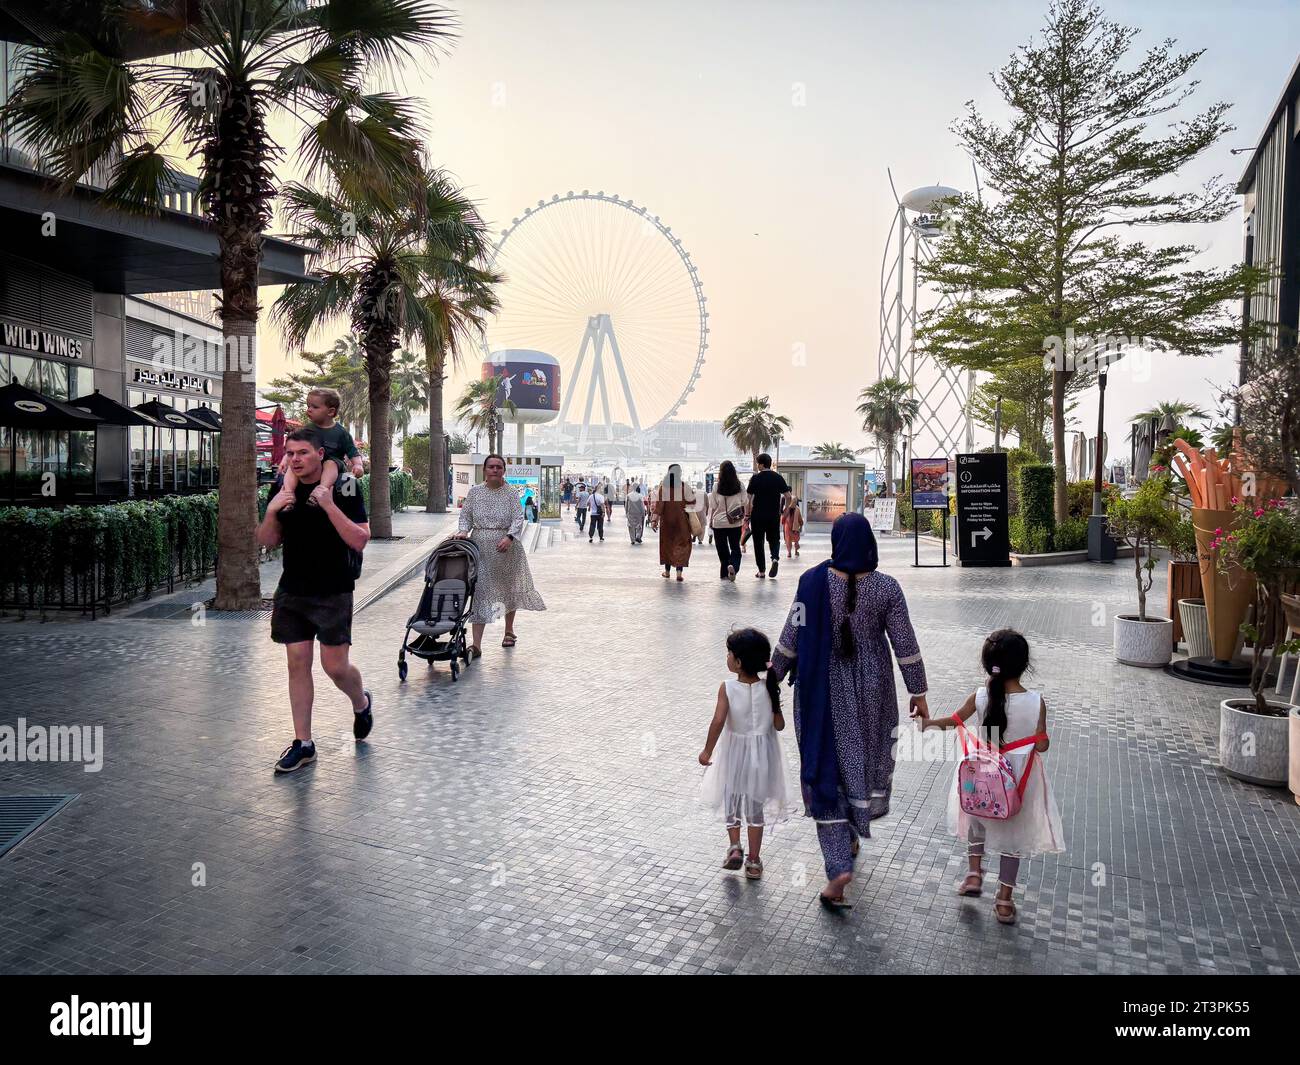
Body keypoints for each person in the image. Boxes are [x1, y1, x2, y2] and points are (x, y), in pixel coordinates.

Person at [770, 513, 928, 908]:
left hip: (821, 690)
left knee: (828, 767)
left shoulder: (811, 583)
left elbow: (792, 634)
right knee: (861, 759)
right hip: (873, 689)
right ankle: (852, 833)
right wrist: (919, 691)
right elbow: (904, 642)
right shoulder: (887, 587)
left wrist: (770, 678)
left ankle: (838, 866)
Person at [912, 629, 1062, 925]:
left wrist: (926, 724)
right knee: (1013, 840)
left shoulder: (980, 696)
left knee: (976, 821)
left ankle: (972, 875)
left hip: (981, 777)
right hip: (1017, 782)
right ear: (1024, 664)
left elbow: (953, 722)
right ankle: (1004, 902)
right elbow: (1042, 744)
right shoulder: (1035, 701)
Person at [257, 428, 373, 774]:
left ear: (320, 454)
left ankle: (361, 701)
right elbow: (267, 541)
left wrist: (328, 504)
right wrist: (272, 512)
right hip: (292, 588)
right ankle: (303, 743)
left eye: (303, 453)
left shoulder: (346, 485)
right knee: (297, 662)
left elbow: (360, 539)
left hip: (333, 588)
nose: (295, 459)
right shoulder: (280, 486)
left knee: (335, 667)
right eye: (290, 453)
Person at [698, 628, 790, 880]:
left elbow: (718, 721)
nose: (727, 657)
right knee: (755, 808)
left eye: (729, 653)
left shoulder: (727, 687)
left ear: (738, 662)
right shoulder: (768, 687)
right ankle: (754, 861)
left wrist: (707, 750)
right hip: (762, 757)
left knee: (733, 800)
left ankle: (734, 847)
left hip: (734, 754)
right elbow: (779, 726)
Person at [455, 454, 546, 652]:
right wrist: (463, 531)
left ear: (504, 470)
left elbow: (517, 517)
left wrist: (510, 537)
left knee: (508, 589)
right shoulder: (475, 493)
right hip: (481, 549)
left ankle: (509, 631)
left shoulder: (511, 493)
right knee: (480, 593)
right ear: (484, 470)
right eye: (491, 467)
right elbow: (466, 516)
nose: (495, 470)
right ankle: (476, 644)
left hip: (507, 550)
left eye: (498, 467)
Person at [277, 387, 364, 512]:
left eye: (314, 407)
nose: (309, 410)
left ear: (330, 411)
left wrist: (358, 465)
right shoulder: (307, 430)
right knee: (293, 467)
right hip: (312, 464)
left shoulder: (340, 432)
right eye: (308, 406)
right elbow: (295, 447)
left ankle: (320, 492)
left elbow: (352, 451)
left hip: (333, 465)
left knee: (330, 463)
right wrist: (286, 460)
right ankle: (288, 496)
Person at [745, 453, 790, 578]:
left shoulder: (755, 478)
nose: (757, 466)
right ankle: (775, 558)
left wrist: (747, 515)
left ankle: (762, 571)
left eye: (758, 463)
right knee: (774, 539)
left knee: (758, 543)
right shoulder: (778, 478)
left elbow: (748, 499)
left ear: (761, 464)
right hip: (773, 515)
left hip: (757, 516)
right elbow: (788, 496)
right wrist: (785, 511)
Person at [651, 463, 695, 580]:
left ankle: (667, 571)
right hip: (682, 522)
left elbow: (659, 506)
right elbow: (692, 503)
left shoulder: (663, 487)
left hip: (667, 522)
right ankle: (679, 573)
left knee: (667, 546)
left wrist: (654, 520)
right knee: (681, 545)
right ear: (679, 473)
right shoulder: (684, 487)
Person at [707, 459, 746, 581]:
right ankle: (733, 566)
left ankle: (725, 572)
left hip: (719, 522)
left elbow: (713, 505)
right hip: (735, 522)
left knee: (722, 549)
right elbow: (744, 502)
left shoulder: (716, 486)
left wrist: (711, 521)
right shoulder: (740, 486)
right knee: (735, 548)